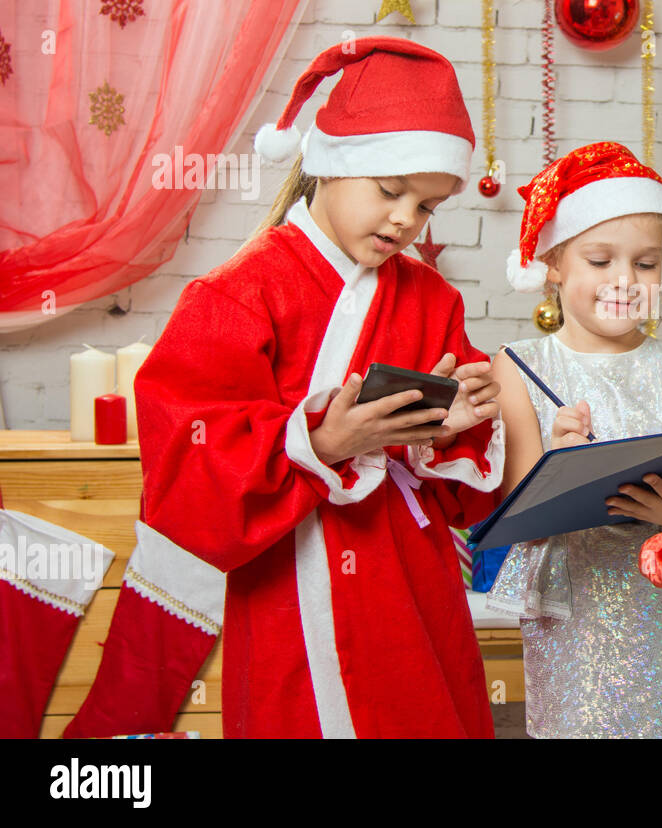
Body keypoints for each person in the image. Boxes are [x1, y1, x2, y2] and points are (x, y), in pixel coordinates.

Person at [125, 37, 505, 738]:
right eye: (390, 192)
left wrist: (452, 426)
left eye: (425, 207)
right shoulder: (235, 296)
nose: (404, 222)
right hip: (290, 588)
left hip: (410, 584)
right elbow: (184, 466)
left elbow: (462, 493)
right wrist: (321, 441)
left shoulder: (429, 297)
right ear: (329, 165)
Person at [486, 141, 662, 738]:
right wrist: (554, 463)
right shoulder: (519, 367)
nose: (625, 280)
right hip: (575, 632)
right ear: (553, 265)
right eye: (600, 260)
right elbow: (517, 514)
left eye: (645, 264)